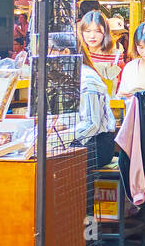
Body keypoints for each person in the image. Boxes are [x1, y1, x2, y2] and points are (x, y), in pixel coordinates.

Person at [48, 33, 115, 167]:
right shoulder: (65, 77)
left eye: (49, 52)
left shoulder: (87, 79)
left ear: (65, 52)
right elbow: (68, 119)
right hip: (77, 139)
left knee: (49, 163)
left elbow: (91, 124)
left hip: (96, 144)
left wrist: (57, 140)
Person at [78, 9, 125, 92]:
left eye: (97, 31)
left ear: (105, 32)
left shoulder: (116, 56)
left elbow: (121, 87)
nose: (92, 36)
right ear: (82, 32)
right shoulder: (77, 55)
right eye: (88, 31)